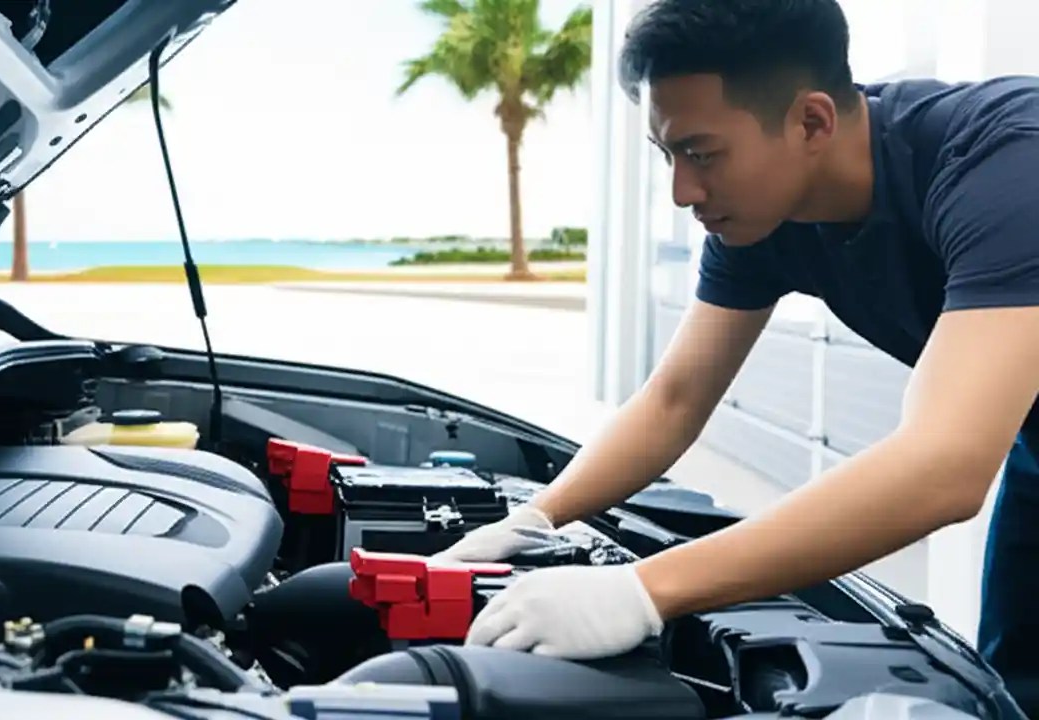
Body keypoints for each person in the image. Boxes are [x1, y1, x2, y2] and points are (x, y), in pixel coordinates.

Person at [439, 0, 1039, 709]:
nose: (683, 190)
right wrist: (535, 519)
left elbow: (944, 466)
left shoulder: (1008, 167)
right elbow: (673, 402)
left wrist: (642, 593)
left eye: (701, 153)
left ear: (811, 121)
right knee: (1014, 690)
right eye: (667, 155)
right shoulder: (761, 218)